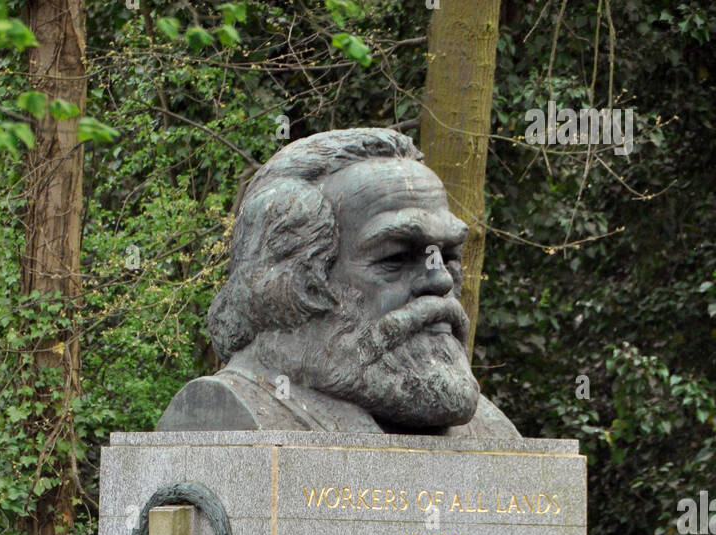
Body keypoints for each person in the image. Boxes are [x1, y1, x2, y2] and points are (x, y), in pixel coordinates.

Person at [157, 127, 519, 440]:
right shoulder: (218, 414)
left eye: (449, 255)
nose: (440, 279)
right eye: (395, 258)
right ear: (296, 283)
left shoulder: (493, 432)